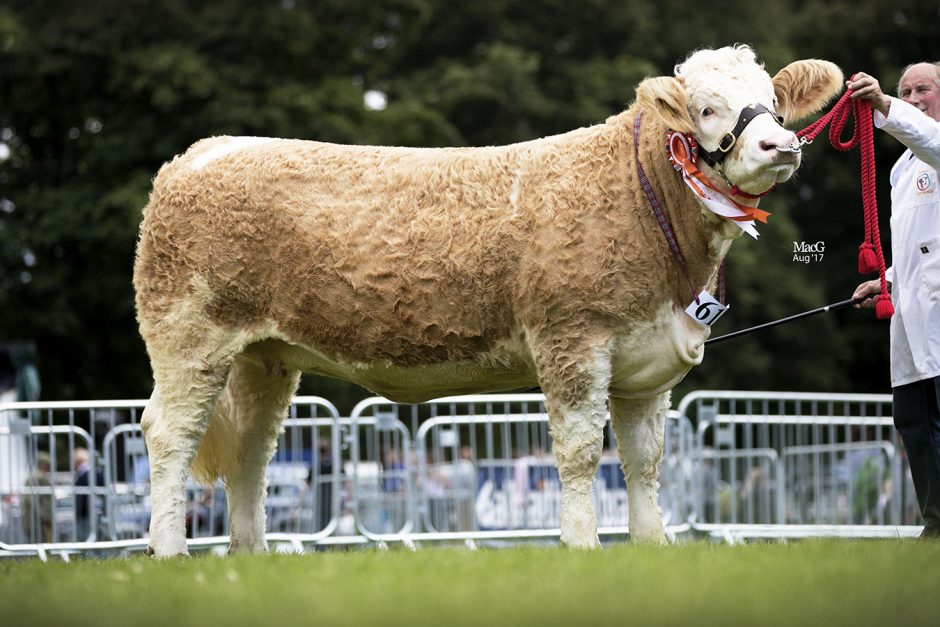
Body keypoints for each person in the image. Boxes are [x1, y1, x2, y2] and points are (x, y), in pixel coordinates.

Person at [850, 63, 940, 538]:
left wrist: (886, 104)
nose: (913, 95)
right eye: (906, 90)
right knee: (911, 418)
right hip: (908, 308)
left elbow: (930, 138)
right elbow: (919, 243)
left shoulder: (934, 145)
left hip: (939, 309)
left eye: (923, 88)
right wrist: (882, 279)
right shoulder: (902, 168)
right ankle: (935, 525)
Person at [22, 452, 53, 543]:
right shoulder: (38, 477)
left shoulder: (34, 476)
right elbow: (31, 499)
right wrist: (44, 516)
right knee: (40, 546)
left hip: (36, 520)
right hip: (37, 521)